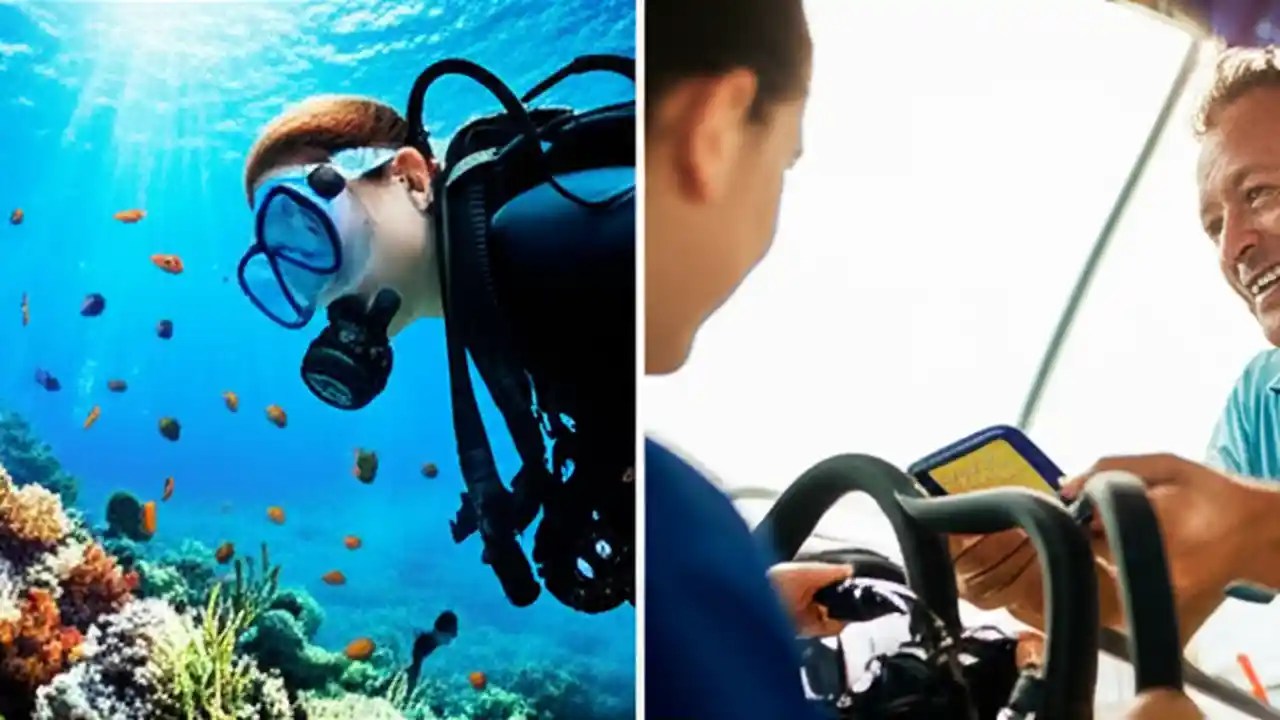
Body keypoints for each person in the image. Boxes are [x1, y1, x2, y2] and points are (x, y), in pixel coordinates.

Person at [236, 53, 636, 615]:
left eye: (312, 226)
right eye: (293, 264)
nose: (323, 288)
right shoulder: (502, 280)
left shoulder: (533, 243)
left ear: (410, 177)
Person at [951, 47, 1280, 716]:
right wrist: (1040, 578)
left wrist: (1254, 524)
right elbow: (1168, 610)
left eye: (1260, 195)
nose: (1232, 247)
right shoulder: (1262, 399)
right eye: (1214, 226)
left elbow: (1245, 533)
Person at [644, 0, 859, 717]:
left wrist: (740, 611)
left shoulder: (686, 556)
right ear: (715, 133)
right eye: (785, 158)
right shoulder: (675, 521)